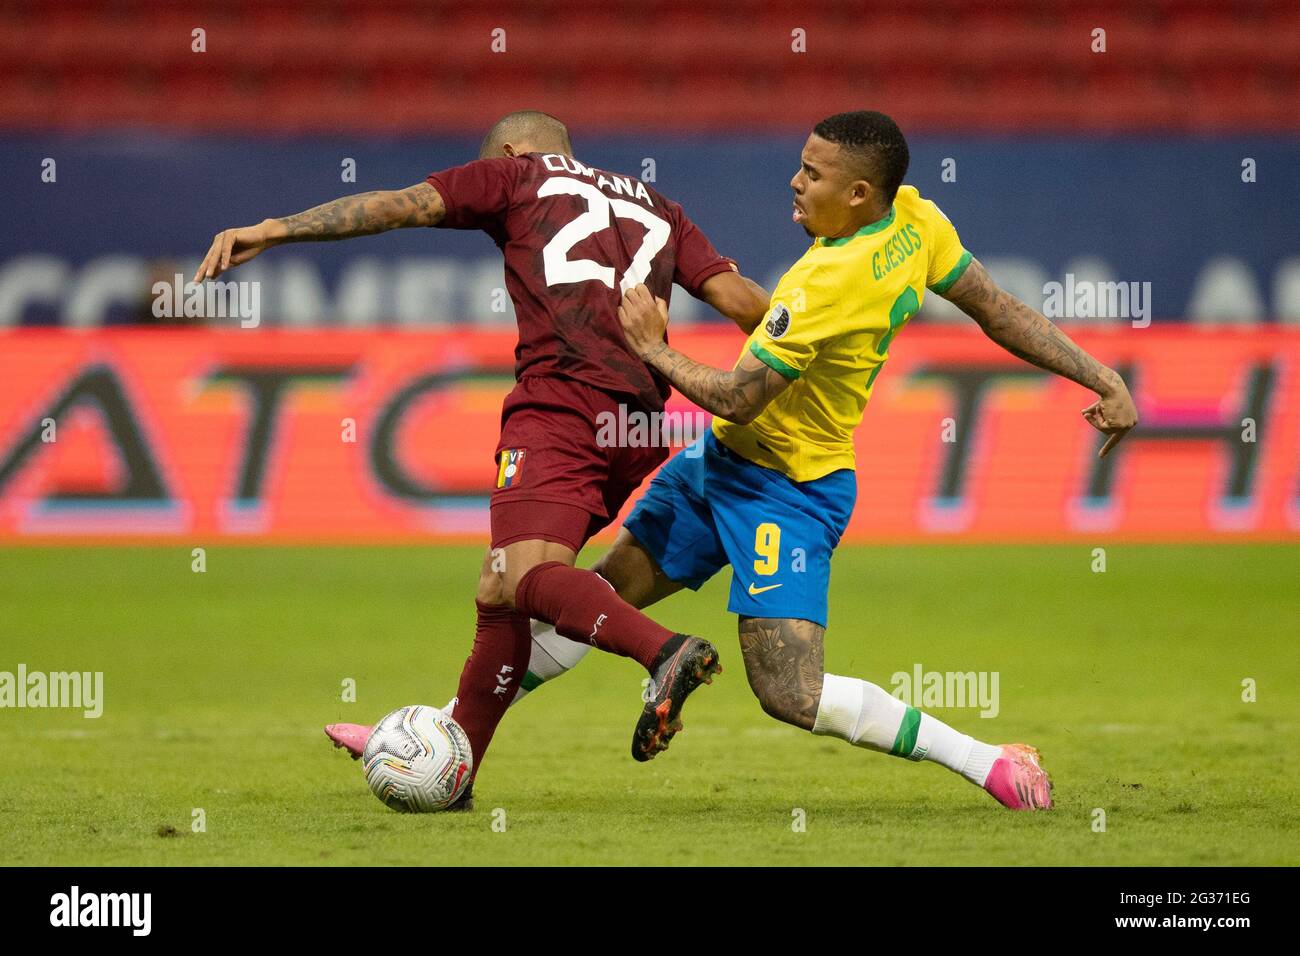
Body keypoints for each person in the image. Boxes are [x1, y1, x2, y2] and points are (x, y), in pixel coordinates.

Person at [514, 111, 1139, 811]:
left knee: (792, 694)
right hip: (718, 467)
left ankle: (991, 762)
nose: (796, 181)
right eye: (801, 164)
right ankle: (446, 736)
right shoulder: (914, 219)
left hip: (790, 493)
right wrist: (1102, 377)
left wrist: (654, 347)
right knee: (592, 601)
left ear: (859, 195)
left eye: (814, 174)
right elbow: (995, 308)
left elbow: (737, 397)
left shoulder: (822, 285)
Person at [194, 111, 772, 806]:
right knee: (499, 589)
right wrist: (809, 350)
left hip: (561, 403)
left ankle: (663, 652)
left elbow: (394, 207)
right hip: (638, 422)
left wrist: (275, 228)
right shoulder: (656, 203)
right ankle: (457, 769)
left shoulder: (516, 174)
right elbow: (743, 302)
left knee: (529, 578)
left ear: (509, 149)